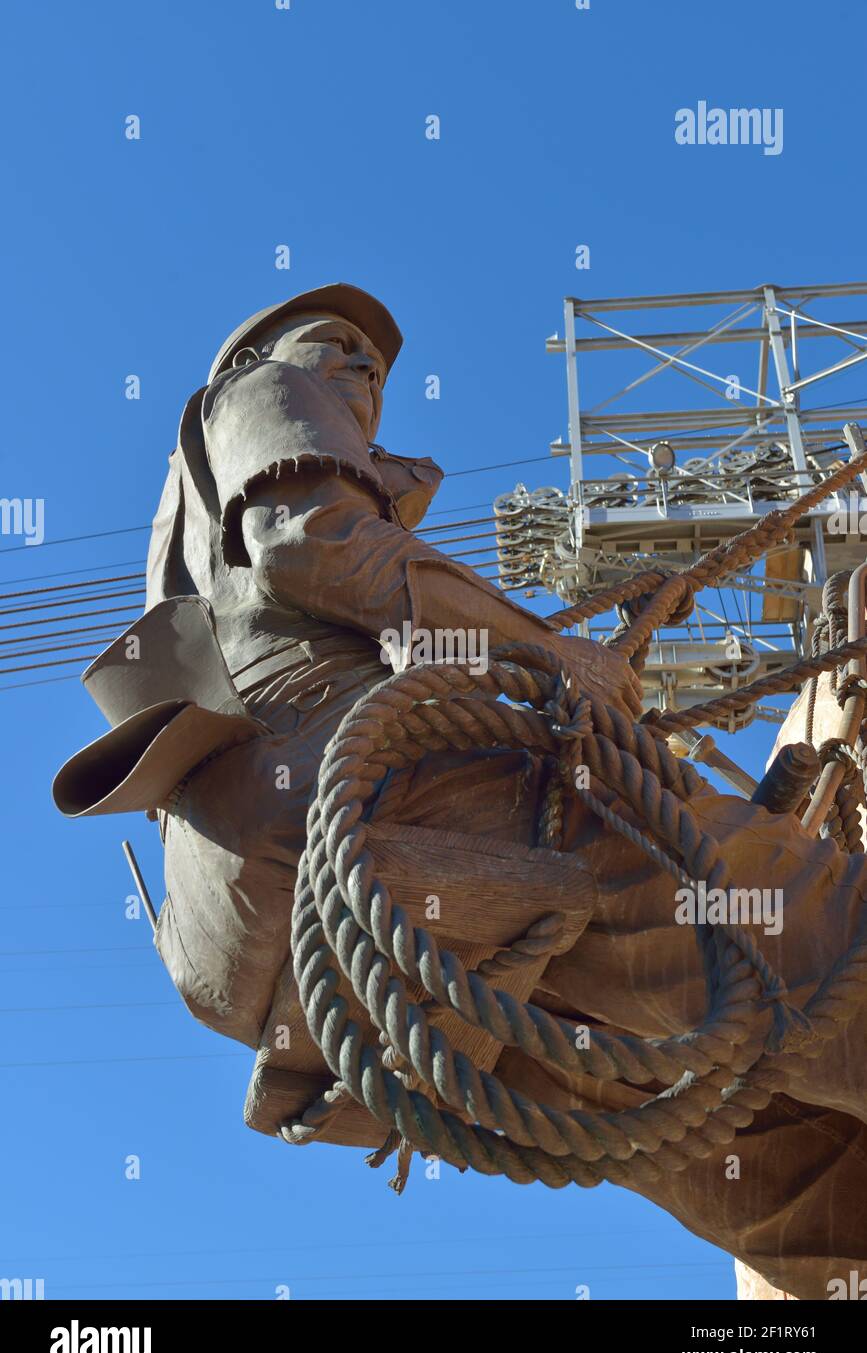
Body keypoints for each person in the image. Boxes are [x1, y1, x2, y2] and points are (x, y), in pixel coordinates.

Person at [54, 285, 867, 1299]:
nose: (361, 369)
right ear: (255, 361)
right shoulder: (250, 396)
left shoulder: (185, 566)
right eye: (337, 345)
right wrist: (548, 651)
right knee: (827, 927)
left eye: (378, 370)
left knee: (781, 1161)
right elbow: (314, 541)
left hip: (368, 963)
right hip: (413, 800)